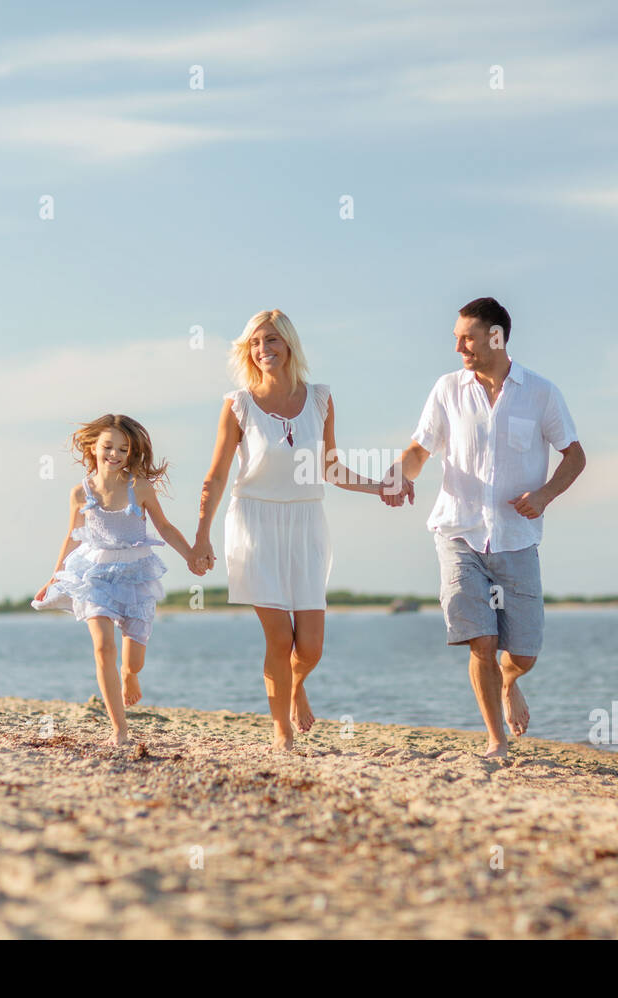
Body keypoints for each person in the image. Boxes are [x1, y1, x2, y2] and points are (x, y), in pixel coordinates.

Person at [190, 309, 404, 752]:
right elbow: (215, 476)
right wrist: (201, 536)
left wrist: (379, 485)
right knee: (278, 637)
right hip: (253, 522)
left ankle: (295, 683)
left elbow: (331, 468)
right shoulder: (238, 405)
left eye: (271, 341)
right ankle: (282, 734)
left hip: (306, 523)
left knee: (309, 647)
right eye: (255, 343)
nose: (263, 350)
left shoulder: (322, 399)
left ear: (289, 345)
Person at [383, 297, 586, 758]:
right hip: (458, 531)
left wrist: (544, 496)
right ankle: (496, 741)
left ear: (496, 337)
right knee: (482, 640)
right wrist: (398, 476)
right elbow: (420, 449)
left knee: (523, 654)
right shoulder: (447, 389)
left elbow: (575, 456)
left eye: (467, 337)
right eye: (457, 338)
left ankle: (510, 682)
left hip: (517, 537)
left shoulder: (541, 393)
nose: (458, 347)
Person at [33, 414, 198, 745]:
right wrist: (55, 576)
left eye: (123, 449)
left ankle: (128, 674)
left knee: (133, 661)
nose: (114, 454)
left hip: (135, 575)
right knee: (103, 647)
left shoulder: (139, 487)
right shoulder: (80, 493)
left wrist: (192, 555)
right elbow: (72, 537)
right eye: (108, 447)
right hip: (94, 574)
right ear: (94, 446)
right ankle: (119, 729)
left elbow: (164, 527)